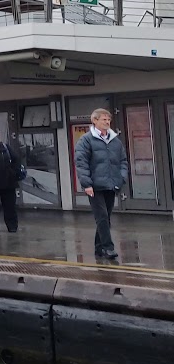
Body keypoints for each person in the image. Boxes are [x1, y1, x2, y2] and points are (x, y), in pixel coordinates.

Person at [74, 108, 128, 260]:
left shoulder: (115, 141)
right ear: (95, 121)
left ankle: (99, 248)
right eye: (104, 119)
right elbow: (81, 162)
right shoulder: (86, 140)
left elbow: (123, 161)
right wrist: (87, 184)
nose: (107, 122)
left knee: (106, 217)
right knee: (102, 216)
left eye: (108, 119)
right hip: (94, 186)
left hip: (111, 185)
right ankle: (108, 247)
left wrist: (121, 178)